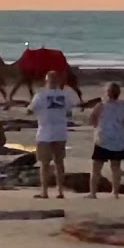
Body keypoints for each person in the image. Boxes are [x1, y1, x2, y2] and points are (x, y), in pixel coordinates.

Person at [28, 71, 74, 199]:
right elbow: (69, 112)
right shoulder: (65, 95)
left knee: (44, 164)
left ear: (46, 81)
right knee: (59, 163)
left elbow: (30, 110)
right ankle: (60, 191)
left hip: (44, 132)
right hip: (60, 132)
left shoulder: (40, 95)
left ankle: (45, 191)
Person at [88, 82, 124, 199]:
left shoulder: (101, 105)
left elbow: (92, 120)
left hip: (103, 139)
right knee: (116, 167)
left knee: (96, 167)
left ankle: (93, 193)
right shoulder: (122, 106)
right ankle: (115, 192)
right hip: (118, 139)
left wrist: (98, 125)